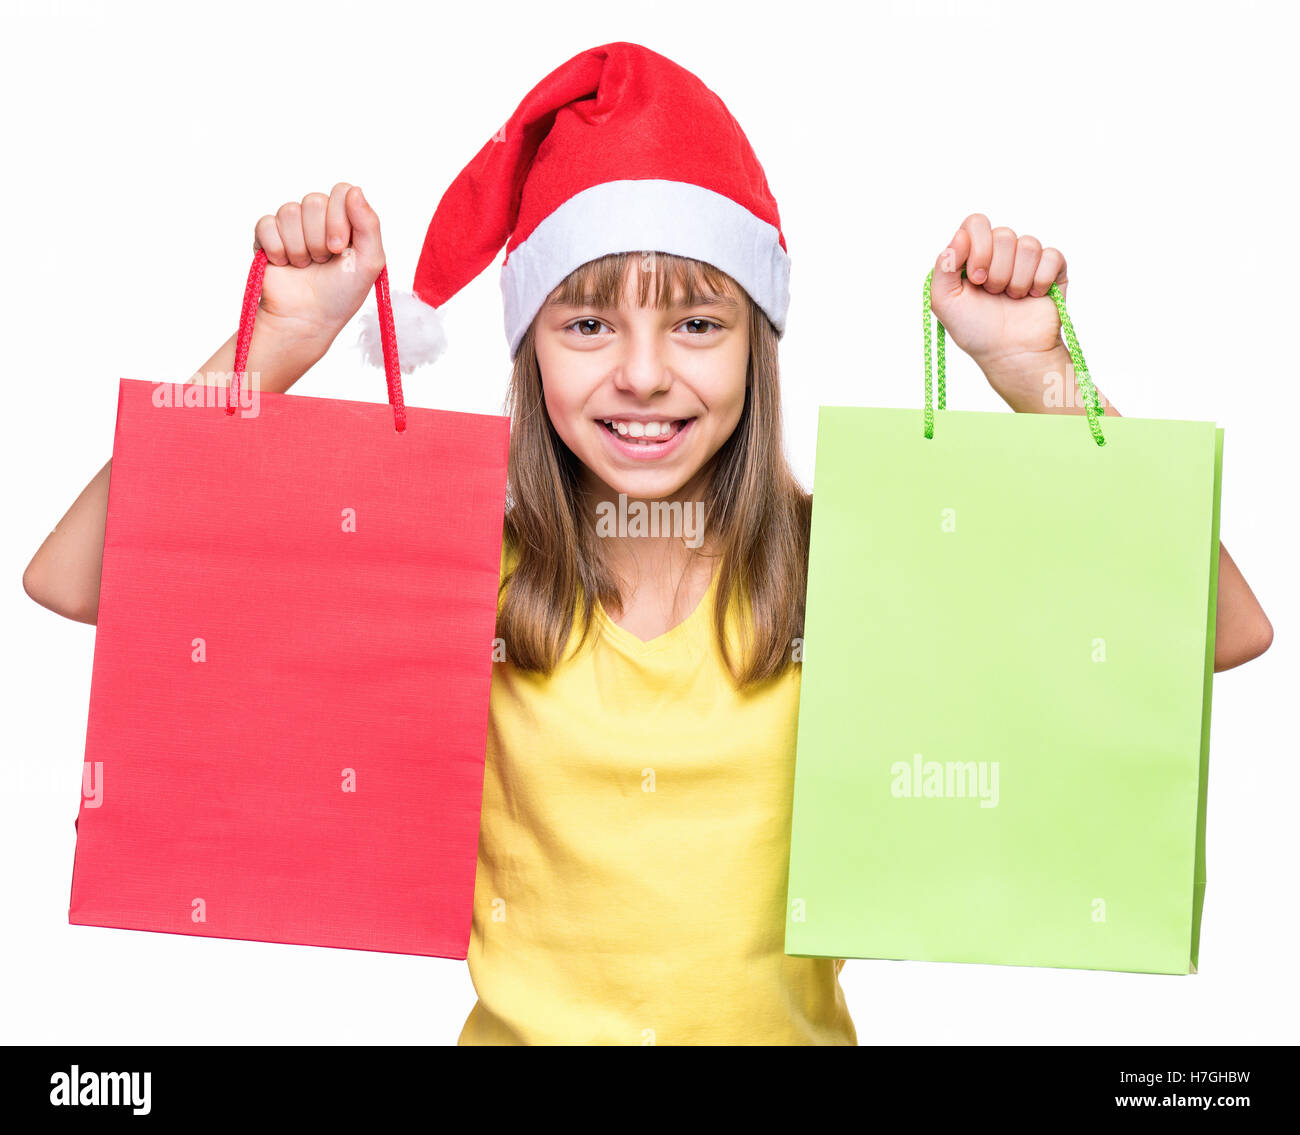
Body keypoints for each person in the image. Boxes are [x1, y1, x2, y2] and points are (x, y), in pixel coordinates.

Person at [23, 41, 1273, 1046]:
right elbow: (77, 576)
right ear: (528, 351)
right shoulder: (459, 576)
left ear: (755, 346)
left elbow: (1214, 627)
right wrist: (275, 352)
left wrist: (1036, 376)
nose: (640, 375)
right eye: (583, 323)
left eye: (693, 321)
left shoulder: (859, 576)